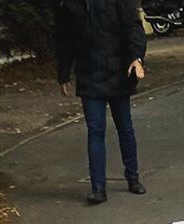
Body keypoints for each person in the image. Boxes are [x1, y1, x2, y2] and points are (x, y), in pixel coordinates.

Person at [54, 0, 148, 204]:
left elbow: (133, 27)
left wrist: (136, 58)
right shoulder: (70, 5)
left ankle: (133, 178)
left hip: (118, 73)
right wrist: (63, 73)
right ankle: (98, 188)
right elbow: (65, 40)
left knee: (125, 127)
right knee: (95, 131)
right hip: (89, 75)